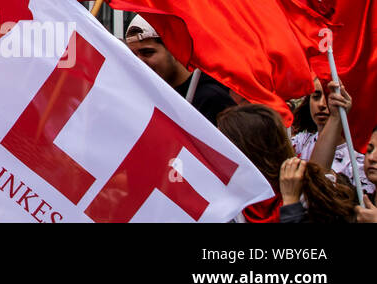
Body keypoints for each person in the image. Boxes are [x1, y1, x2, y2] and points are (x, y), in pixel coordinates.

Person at [217, 103, 375, 222]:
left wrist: (291, 205)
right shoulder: (226, 200)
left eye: (224, 146)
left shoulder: (312, 196)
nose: (217, 154)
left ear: (250, 151)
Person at [124, 14, 235, 124]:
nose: (139, 61)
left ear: (175, 50)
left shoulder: (211, 99)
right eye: (133, 55)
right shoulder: (150, 98)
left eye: (147, 52)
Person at [290, 77, 374, 195]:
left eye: (331, 97)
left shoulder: (359, 161)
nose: (322, 104)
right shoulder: (301, 142)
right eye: (316, 96)